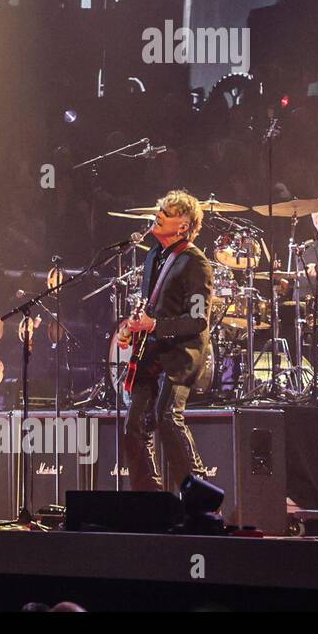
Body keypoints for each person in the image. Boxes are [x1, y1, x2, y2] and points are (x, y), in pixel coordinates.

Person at [120, 190, 214, 492]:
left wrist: (157, 324)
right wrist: (132, 327)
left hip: (179, 355)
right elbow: (151, 305)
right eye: (159, 209)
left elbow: (198, 319)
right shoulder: (153, 256)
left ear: (183, 226)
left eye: (167, 212)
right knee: (134, 426)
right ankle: (149, 499)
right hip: (152, 352)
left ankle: (199, 499)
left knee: (167, 418)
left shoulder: (195, 263)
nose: (158, 215)